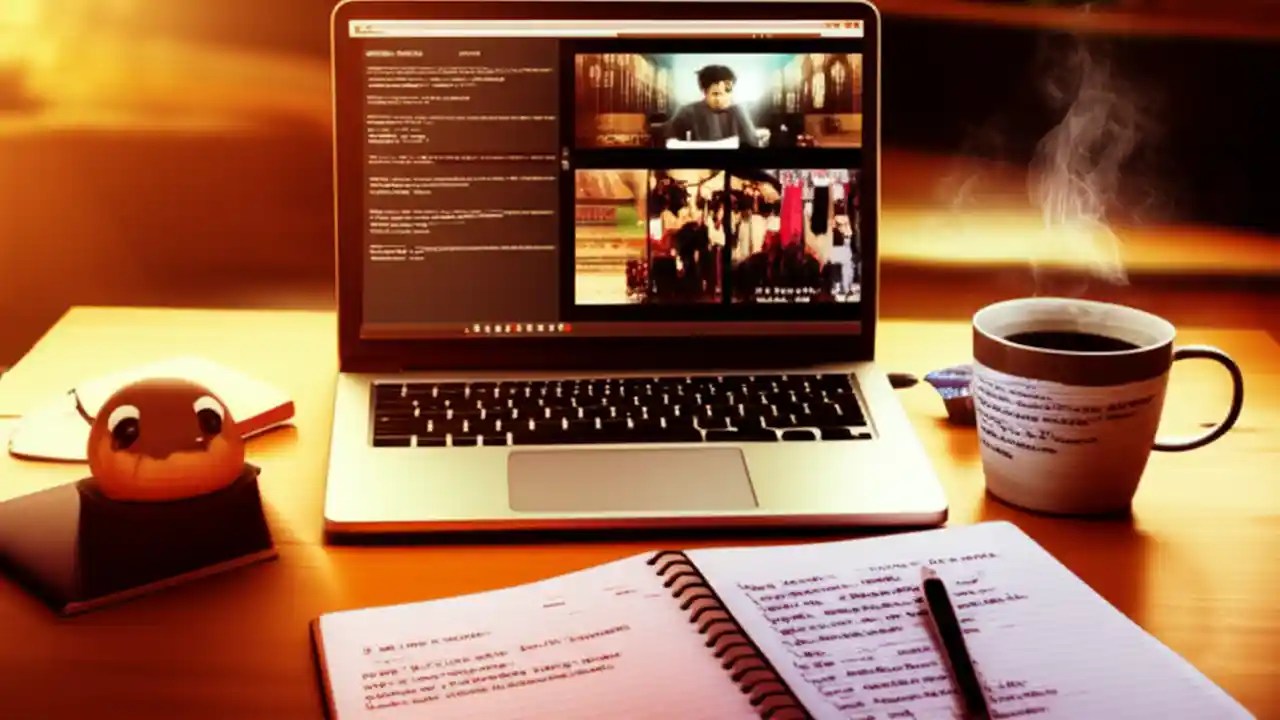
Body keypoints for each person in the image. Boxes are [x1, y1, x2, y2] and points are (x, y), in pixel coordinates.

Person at [665, 65, 762, 147]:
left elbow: (752, 143)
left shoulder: (738, 111)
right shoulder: (688, 112)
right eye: (716, 94)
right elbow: (670, 141)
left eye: (727, 92)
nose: (723, 98)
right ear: (705, 92)